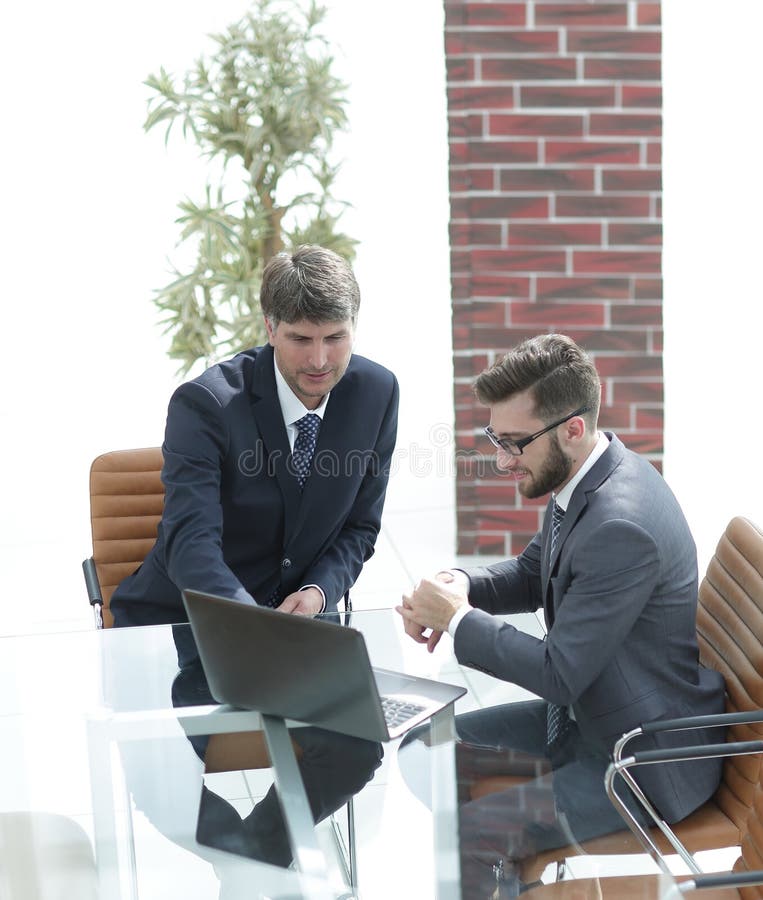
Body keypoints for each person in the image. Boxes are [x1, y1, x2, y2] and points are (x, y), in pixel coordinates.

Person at [396, 333, 725, 897]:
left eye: (514, 444)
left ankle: (494, 870)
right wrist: (460, 586)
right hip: (587, 722)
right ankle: (503, 880)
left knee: (475, 829)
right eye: (495, 438)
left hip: (638, 761)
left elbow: (558, 673)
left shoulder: (620, 525)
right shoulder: (586, 476)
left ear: (572, 429)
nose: (502, 460)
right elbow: (533, 573)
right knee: (425, 750)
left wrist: (457, 620)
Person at [111, 244, 399, 866]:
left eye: (335, 338)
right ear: (269, 328)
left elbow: (360, 526)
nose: (319, 361)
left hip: (294, 628)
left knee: (356, 746)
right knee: (161, 784)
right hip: (180, 625)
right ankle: (250, 865)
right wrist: (254, 632)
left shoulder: (376, 393)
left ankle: (254, 867)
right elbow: (191, 544)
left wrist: (319, 592)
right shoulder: (206, 405)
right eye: (300, 339)